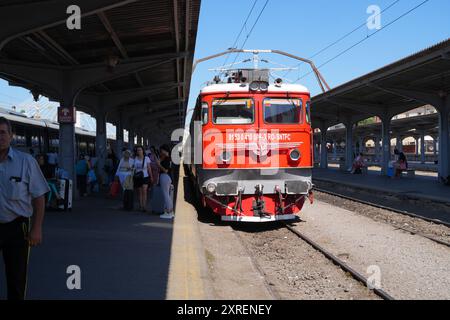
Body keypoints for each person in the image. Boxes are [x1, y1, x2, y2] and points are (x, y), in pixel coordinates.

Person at [0, 117, 50, 300]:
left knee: (16, 280)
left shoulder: (26, 162)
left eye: (2, 132)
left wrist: (36, 228)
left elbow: (39, 197)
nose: (0, 137)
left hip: (17, 228)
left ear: (11, 136)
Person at [133, 145, 153, 212]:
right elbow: (134, 168)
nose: (139, 151)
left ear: (143, 151)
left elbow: (149, 168)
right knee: (140, 192)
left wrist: (151, 177)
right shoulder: (135, 158)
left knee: (144, 191)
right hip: (138, 177)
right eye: (138, 150)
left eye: (140, 150)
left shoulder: (146, 158)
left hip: (145, 176)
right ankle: (141, 206)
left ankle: (144, 206)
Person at [157, 144, 174, 219]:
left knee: (166, 195)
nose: (160, 152)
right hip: (168, 177)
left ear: (164, 150)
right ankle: (170, 211)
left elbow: (165, 170)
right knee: (168, 195)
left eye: (161, 150)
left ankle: (168, 212)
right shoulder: (169, 158)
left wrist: (158, 164)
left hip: (164, 176)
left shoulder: (167, 159)